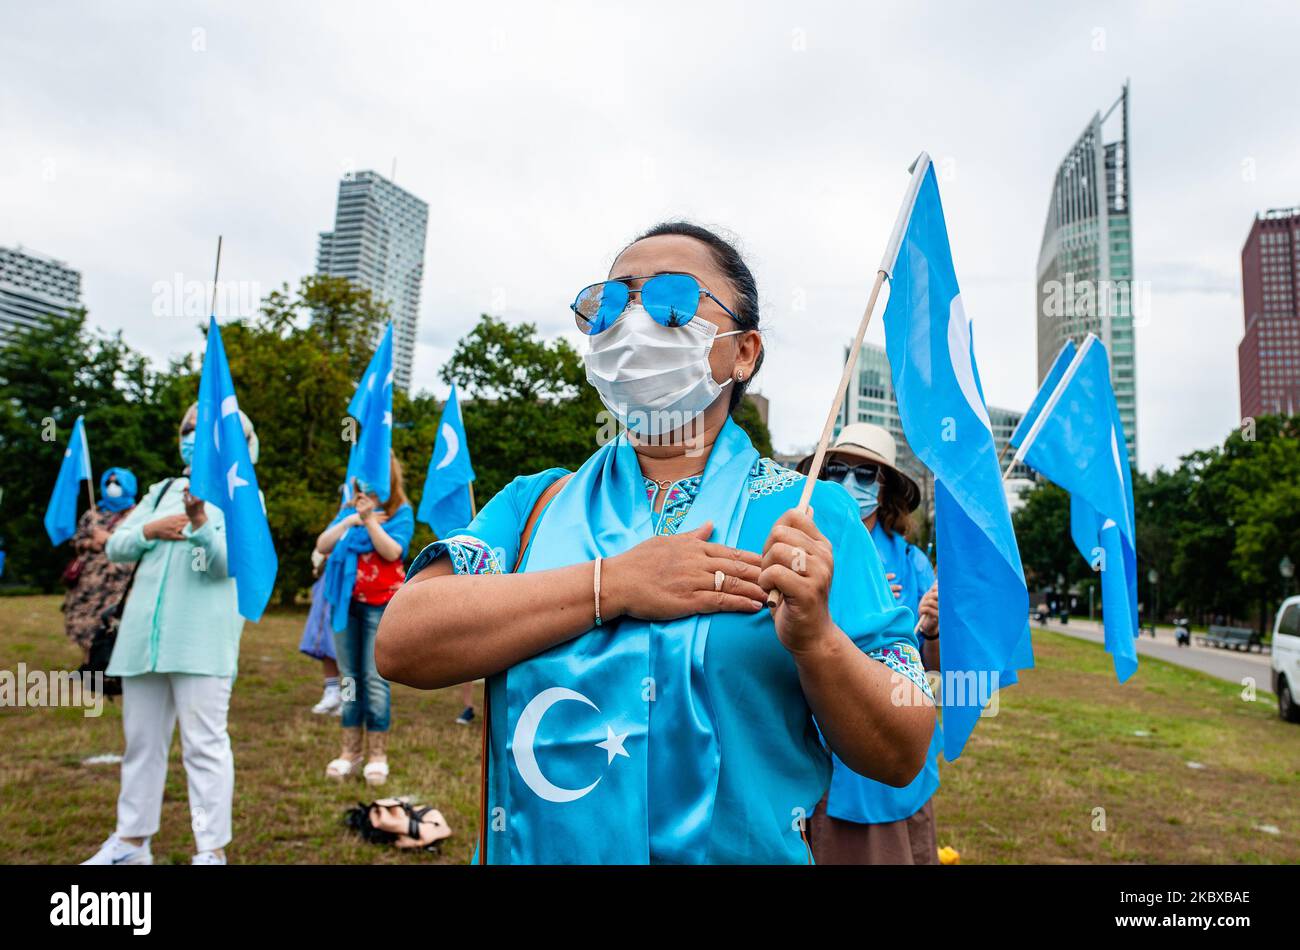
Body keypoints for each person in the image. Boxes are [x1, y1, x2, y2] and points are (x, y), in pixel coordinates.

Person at [376, 221, 935, 864]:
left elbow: (901, 749)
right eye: (611, 302)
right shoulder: (534, 504)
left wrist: (818, 644)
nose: (634, 320)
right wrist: (613, 584)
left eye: (671, 299)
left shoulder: (812, 514)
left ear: (744, 352)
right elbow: (401, 642)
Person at [82, 405, 258, 866]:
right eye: (186, 429)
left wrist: (200, 525)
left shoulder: (242, 495)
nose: (191, 437)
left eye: (203, 432)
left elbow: (229, 566)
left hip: (200, 643)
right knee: (140, 745)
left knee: (204, 748)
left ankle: (209, 849)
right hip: (142, 639)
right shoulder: (162, 489)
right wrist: (148, 528)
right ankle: (131, 843)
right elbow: (116, 547)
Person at [798, 423, 944, 864]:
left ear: (885, 491)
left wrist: (933, 629)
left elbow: (937, 676)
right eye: (838, 469)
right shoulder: (796, 544)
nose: (849, 483)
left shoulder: (913, 562)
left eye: (865, 475)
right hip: (804, 748)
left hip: (881, 766)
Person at [315, 454, 414, 785]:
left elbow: (393, 552)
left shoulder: (400, 512)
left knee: (374, 679)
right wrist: (349, 521)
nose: (367, 483)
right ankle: (349, 752)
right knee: (349, 678)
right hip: (345, 605)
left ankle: (377, 755)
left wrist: (370, 520)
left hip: (381, 605)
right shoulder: (347, 510)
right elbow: (323, 544)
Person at [62, 468, 138, 665]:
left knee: (113, 625)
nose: (112, 487)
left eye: (117, 483)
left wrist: (110, 540)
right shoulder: (94, 514)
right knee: (85, 624)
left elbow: (140, 543)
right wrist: (90, 544)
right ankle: (90, 665)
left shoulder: (138, 515)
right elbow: (76, 542)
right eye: (109, 482)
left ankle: (111, 669)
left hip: (121, 583)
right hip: (90, 583)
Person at [299, 547, 342, 715]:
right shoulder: (339, 525)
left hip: (349, 592)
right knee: (326, 643)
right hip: (326, 592)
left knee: (348, 654)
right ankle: (332, 692)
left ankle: (350, 698)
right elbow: (319, 552)